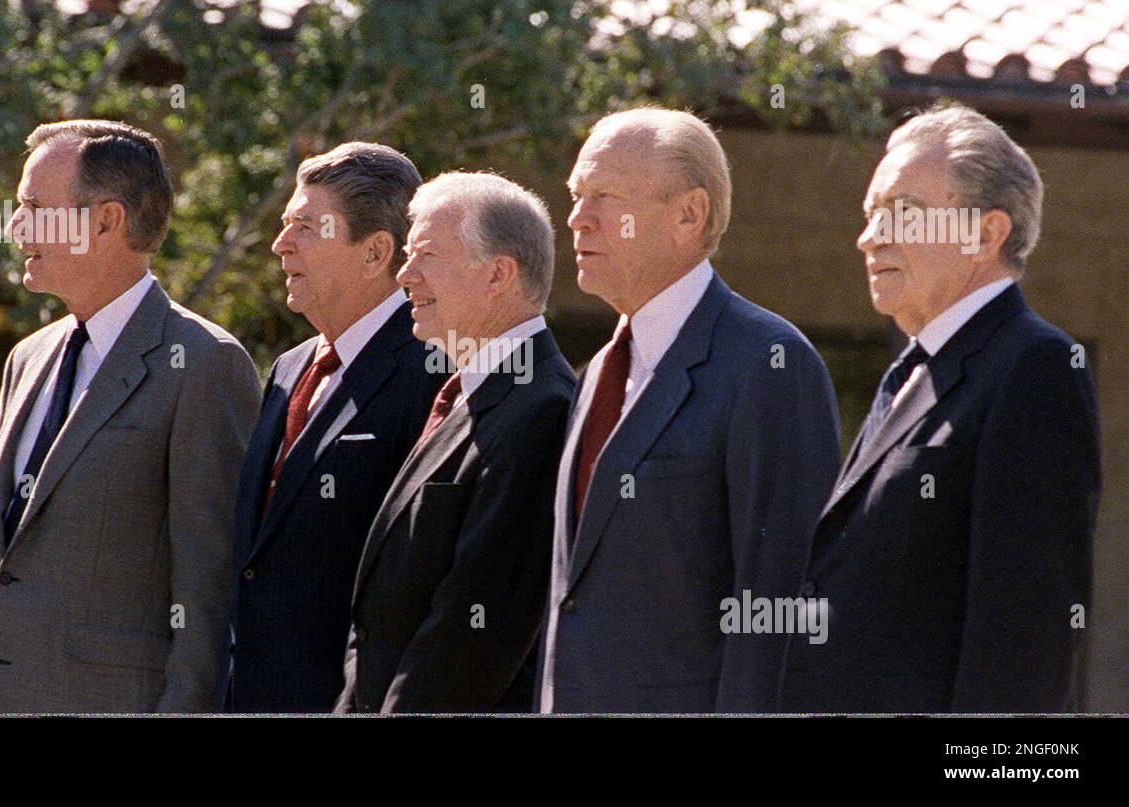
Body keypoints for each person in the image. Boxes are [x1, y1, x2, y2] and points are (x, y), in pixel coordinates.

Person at [0, 120, 262, 713]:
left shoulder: (205, 364)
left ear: (106, 220)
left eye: (33, 208)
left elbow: (207, 598)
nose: (16, 227)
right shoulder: (29, 357)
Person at [781, 102, 1100, 712]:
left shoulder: (1034, 369)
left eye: (901, 214)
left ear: (984, 233)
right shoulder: (914, 370)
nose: (868, 238)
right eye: (869, 215)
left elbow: (1027, 640)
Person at [537, 108, 841, 713]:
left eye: (604, 196)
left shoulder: (770, 362)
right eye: (575, 196)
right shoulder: (597, 371)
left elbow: (778, 606)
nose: (576, 218)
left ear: (689, 214)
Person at [336, 172, 575, 712]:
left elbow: (471, 636)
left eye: (425, 255)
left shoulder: (541, 409)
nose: (404, 275)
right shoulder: (466, 394)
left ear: (498, 273)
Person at [226, 142, 443, 712]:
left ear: (375, 252)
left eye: (304, 226)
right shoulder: (290, 368)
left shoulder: (435, 371)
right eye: (283, 224)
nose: (280, 244)